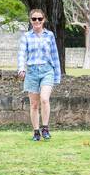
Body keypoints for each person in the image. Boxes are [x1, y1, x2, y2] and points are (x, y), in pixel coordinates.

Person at [16, 8, 61, 141]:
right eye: (34, 19)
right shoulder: (26, 36)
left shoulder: (50, 35)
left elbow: (55, 55)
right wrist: (21, 69)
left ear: (44, 20)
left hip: (47, 70)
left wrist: (57, 75)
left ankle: (45, 128)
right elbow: (21, 54)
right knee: (34, 105)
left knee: (45, 99)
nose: (37, 21)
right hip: (32, 71)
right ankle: (36, 131)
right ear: (30, 20)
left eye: (39, 19)